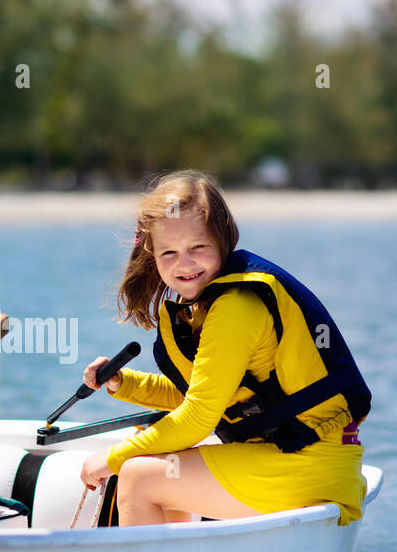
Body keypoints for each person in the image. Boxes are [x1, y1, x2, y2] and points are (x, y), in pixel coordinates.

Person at [78, 170, 372, 527]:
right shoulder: (211, 303)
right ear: (151, 254)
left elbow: (199, 417)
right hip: (304, 455)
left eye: (197, 247)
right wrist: (123, 384)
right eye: (169, 252)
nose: (184, 264)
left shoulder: (235, 307)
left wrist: (111, 459)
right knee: (159, 459)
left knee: (138, 476)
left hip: (309, 460)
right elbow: (209, 397)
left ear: (223, 239)